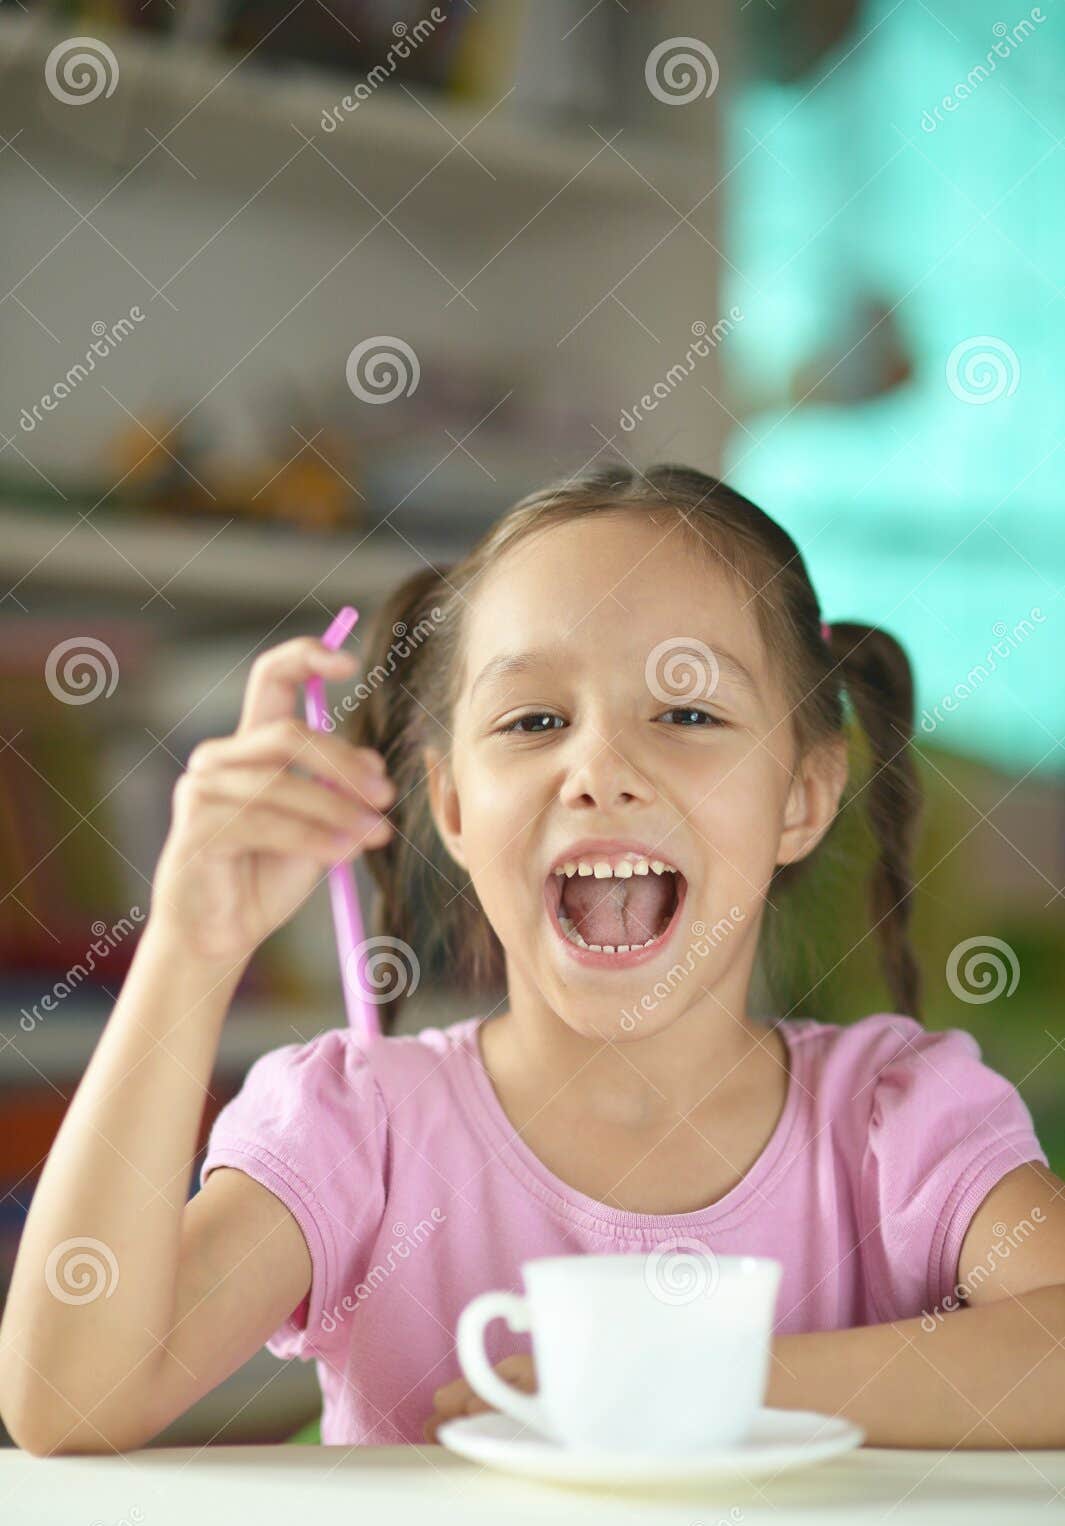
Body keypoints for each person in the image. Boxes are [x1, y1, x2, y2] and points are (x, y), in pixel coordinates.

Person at [3, 464, 1061, 1456]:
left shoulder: (889, 1119)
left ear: (802, 797)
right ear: (454, 802)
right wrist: (191, 947)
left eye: (689, 711)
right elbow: (68, 1398)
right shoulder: (359, 1129)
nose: (599, 766)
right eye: (534, 718)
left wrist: (694, 1383)